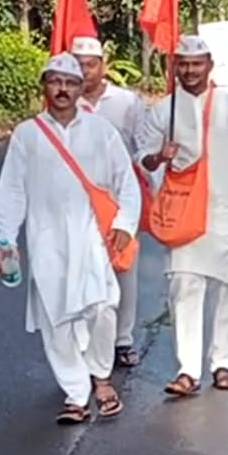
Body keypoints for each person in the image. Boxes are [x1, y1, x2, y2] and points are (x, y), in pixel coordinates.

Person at [0, 53, 141, 425]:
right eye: (55, 81)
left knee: (104, 307)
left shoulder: (101, 131)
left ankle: (102, 376)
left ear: (80, 88)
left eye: (70, 82)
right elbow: (11, 191)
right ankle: (76, 392)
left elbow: (127, 182)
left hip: (93, 238)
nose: (62, 89)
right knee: (56, 317)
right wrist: (4, 241)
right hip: (47, 242)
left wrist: (124, 224)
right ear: (44, 85)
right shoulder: (27, 134)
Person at [136, 35, 228, 396]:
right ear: (175, 67)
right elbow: (144, 159)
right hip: (183, 212)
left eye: (197, 63)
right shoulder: (164, 110)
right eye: (184, 63)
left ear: (210, 66)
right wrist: (161, 156)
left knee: (226, 289)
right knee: (184, 286)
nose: (190, 70)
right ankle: (188, 370)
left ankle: (222, 363)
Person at [71, 35, 149, 368]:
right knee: (81, 270)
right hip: (77, 202)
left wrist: (156, 172)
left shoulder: (127, 102)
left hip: (120, 199)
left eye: (91, 64)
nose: (85, 71)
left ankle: (123, 340)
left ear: (103, 66)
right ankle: (85, 340)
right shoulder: (63, 104)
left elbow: (142, 147)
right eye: (78, 65)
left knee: (124, 269)